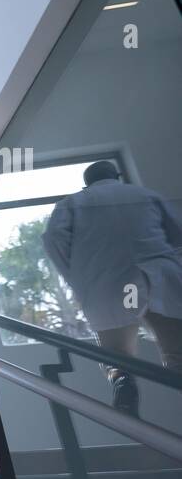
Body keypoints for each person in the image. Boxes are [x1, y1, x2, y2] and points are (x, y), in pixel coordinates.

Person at [41, 159, 182, 415]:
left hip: (108, 285)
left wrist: (77, 277)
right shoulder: (144, 195)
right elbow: (178, 235)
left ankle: (121, 379)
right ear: (116, 175)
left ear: (87, 183)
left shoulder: (71, 204)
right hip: (160, 278)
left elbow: (53, 240)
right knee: (178, 350)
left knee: (117, 354)